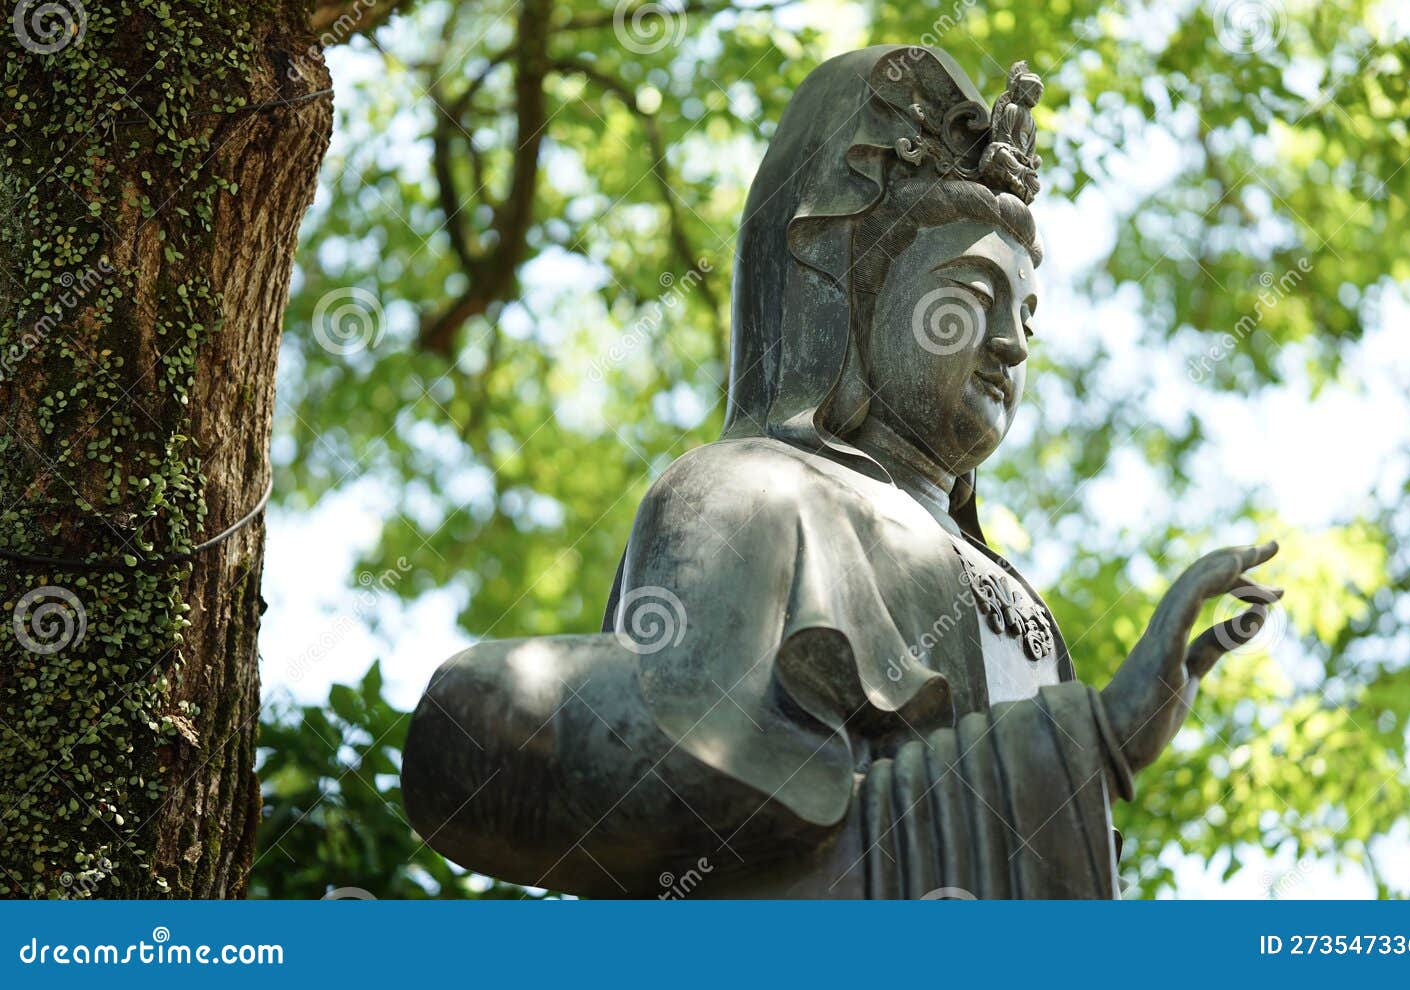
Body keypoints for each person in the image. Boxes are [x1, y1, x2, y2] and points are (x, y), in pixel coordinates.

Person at [402, 45, 1282, 899]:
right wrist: (1089, 734)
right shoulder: (755, 493)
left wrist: (1101, 743)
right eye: (971, 298)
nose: (1011, 345)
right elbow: (680, 758)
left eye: (1027, 318)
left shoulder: (1024, 607)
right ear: (855, 303)